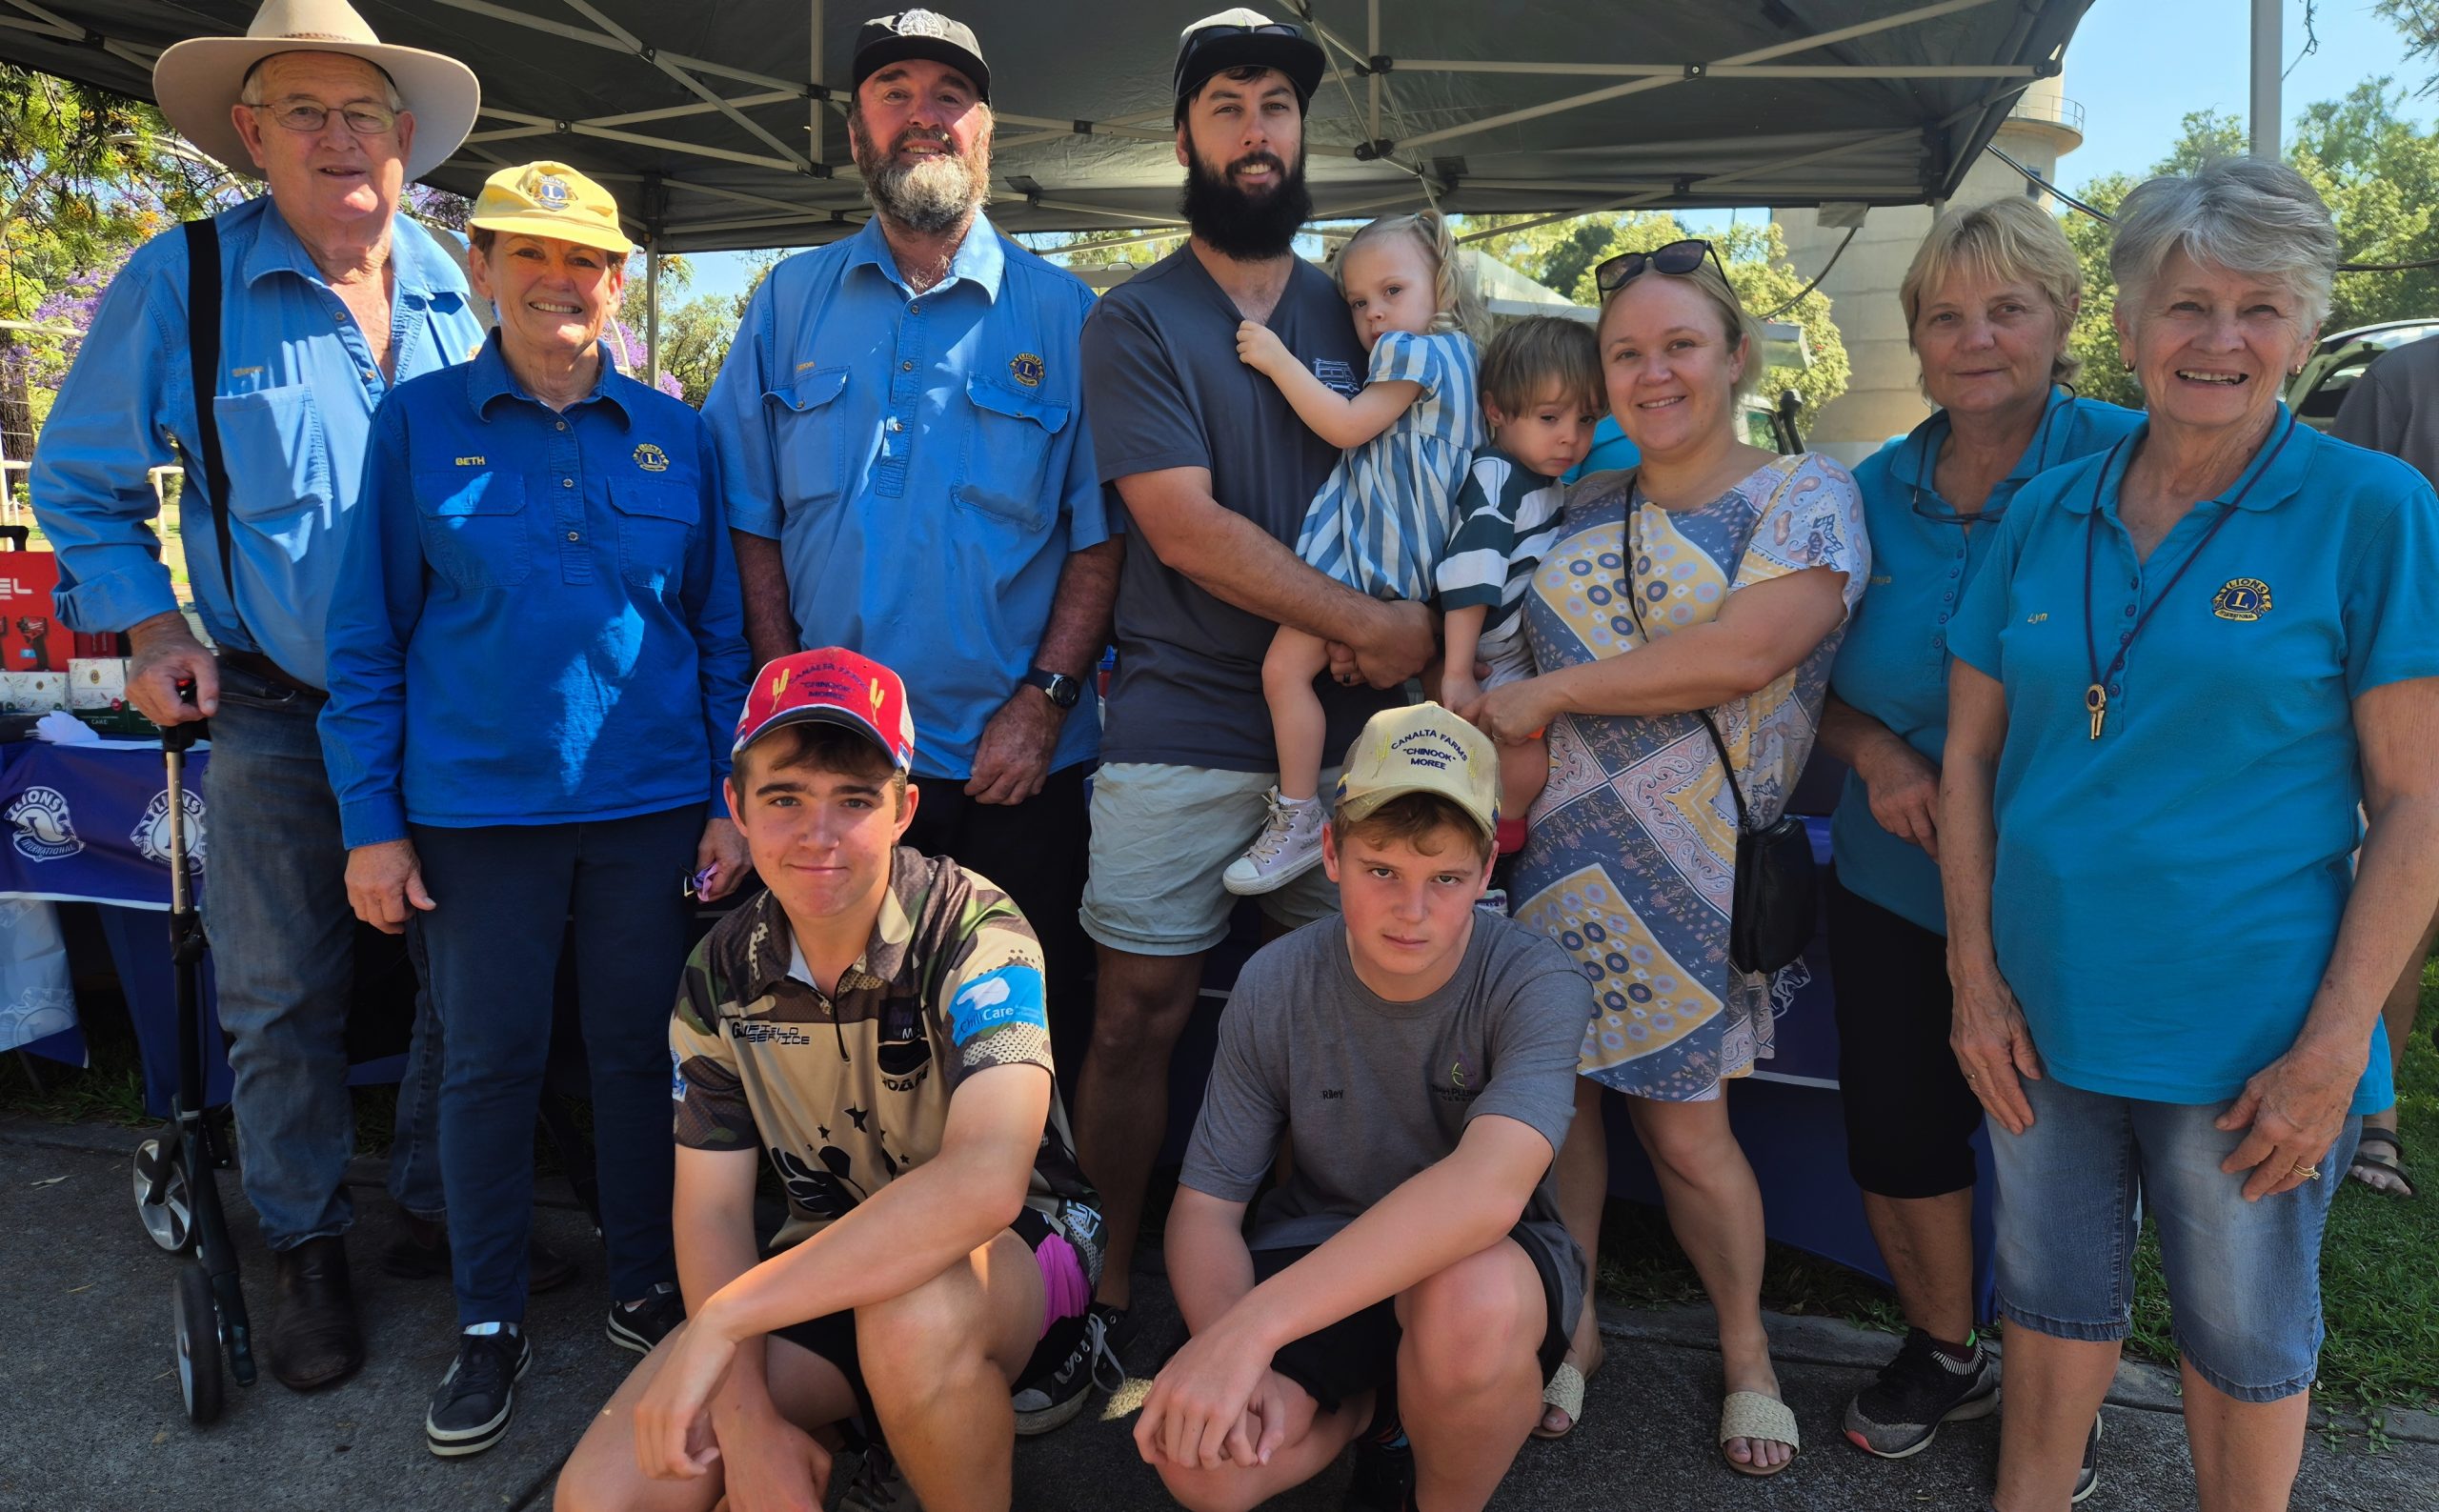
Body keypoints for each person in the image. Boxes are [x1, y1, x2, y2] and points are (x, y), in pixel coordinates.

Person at [1941, 157, 2439, 1512]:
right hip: (2041, 1016)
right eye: (2187, 305)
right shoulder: (2043, 510)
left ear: (2307, 326)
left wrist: (2338, 1048)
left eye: (2261, 309)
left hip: (2253, 1031)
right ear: (2126, 322)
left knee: (2245, 1347)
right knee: (2047, 1310)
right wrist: (1972, 984)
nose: (2220, 341)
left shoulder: (2372, 509)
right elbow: (1972, 758)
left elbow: (2417, 800)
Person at [26, 0, 488, 1393]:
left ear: (405, 140)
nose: (339, 138)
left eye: (363, 115)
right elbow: (79, 479)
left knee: (467, 973)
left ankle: (427, 1204)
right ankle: (305, 1240)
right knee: (284, 991)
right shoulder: (189, 281)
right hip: (280, 707)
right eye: (305, 112)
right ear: (250, 133)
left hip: (457, 708)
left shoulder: (463, 282)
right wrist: (157, 619)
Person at [319, 160, 751, 1456]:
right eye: (530, 256)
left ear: (615, 284)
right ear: (488, 272)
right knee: (492, 1064)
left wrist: (731, 797)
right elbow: (366, 639)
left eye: (585, 262)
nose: (559, 281)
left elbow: (723, 633)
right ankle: (489, 1318)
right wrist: (370, 822)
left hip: (653, 807)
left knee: (639, 1055)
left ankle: (641, 1278)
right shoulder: (418, 427)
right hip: (476, 814)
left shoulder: (681, 436)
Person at [702, 13, 1118, 1220]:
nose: (924, 110)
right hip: (836, 780)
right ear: (857, 129)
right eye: (895, 89)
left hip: (1012, 773)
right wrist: (792, 714)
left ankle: (1041, 1284)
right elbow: (751, 523)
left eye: (951, 93)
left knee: (1020, 1045)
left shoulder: (1064, 314)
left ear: (987, 131)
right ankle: (845, 1274)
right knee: (834, 1047)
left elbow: (1101, 540)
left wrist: (1041, 707)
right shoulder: (789, 300)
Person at [1072, 9, 1437, 1353]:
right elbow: (1182, 526)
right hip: (1182, 720)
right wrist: (1373, 621)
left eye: (1278, 105)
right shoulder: (1138, 317)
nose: (1255, 129)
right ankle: (1104, 1287)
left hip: (1360, 743)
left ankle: (1329, 1298)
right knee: (1133, 1018)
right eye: (1227, 104)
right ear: (1184, 135)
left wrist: (1421, 632)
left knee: (1354, 1028)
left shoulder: (1368, 305)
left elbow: (1459, 449)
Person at [1475, 239, 1868, 1472]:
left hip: (1697, 878)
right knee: (1563, 1108)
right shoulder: (1583, 503)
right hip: (1553, 863)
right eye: (1627, 353)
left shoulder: (1808, 492)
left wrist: (1545, 700)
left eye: (1680, 345)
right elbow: (1499, 643)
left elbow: (1747, 652)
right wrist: (1496, 701)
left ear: (1738, 355)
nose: (1653, 373)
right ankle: (1575, 1328)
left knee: (1691, 1133)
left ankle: (1747, 1348)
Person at [553, 648, 1104, 1512]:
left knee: (911, 1318)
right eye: (784, 798)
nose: (818, 833)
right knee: (607, 1496)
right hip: (822, 1262)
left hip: (1021, 1259)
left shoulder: (976, 927)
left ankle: (955, 1414)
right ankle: (865, 1424)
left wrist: (728, 1321)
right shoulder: (718, 969)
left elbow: (987, 1182)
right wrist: (748, 1427)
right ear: (735, 805)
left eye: (854, 800)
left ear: (904, 810)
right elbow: (714, 1210)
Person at [1815, 198, 2139, 1470]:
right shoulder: (1867, 490)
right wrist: (1878, 749)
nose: (1978, 338)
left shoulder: (2136, 458)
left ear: (2063, 321)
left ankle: (2064, 1376)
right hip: (1896, 882)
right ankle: (1946, 1346)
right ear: (1915, 338)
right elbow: (1808, 675)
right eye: (1945, 315)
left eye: (2009, 309)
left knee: (2075, 1149)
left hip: (2071, 893)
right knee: (1899, 1129)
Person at [1139, 702, 1590, 1512]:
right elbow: (1206, 1205)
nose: (1412, 911)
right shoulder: (1274, 979)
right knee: (1202, 1462)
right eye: (1382, 868)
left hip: (1484, 1267)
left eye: (1445, 878)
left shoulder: (1536, 981)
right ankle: (1377, 1415)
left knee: (1468, 1303)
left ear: (1487, 870)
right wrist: (1227, 1351)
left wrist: (1252, 1332)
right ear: (1331, 852)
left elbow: (1489, 1192)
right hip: (1317, 1243)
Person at [1220, 211, 1483, 894]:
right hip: (1415, 558)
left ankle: (1300, 813)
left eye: (1393, 291)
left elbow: (1343, 426)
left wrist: (1278, 359)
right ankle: (1464, 838)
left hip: (1373, 548)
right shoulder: (1464, 360)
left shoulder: (1413, 354)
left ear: (1443, 287)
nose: (1374, 315)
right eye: (1361, 302)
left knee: (1283, 673)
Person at [2329, 333, 2439, 1200]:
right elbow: (2333, 532)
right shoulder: (2406, 378)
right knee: (2396, 887)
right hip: (2399, 683)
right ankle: (2376, 1115)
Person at [1436, 315, 1605, 857]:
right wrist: (1458, 672)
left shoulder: (1549, 484)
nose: (1570, 436)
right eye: (1550, 417)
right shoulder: (1497, 477)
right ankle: (1491, 854)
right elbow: (1471, 573)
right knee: (1521, 762)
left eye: (1586, 419)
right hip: (1494, 654)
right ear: (1496, 412)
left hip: (1515, 653)